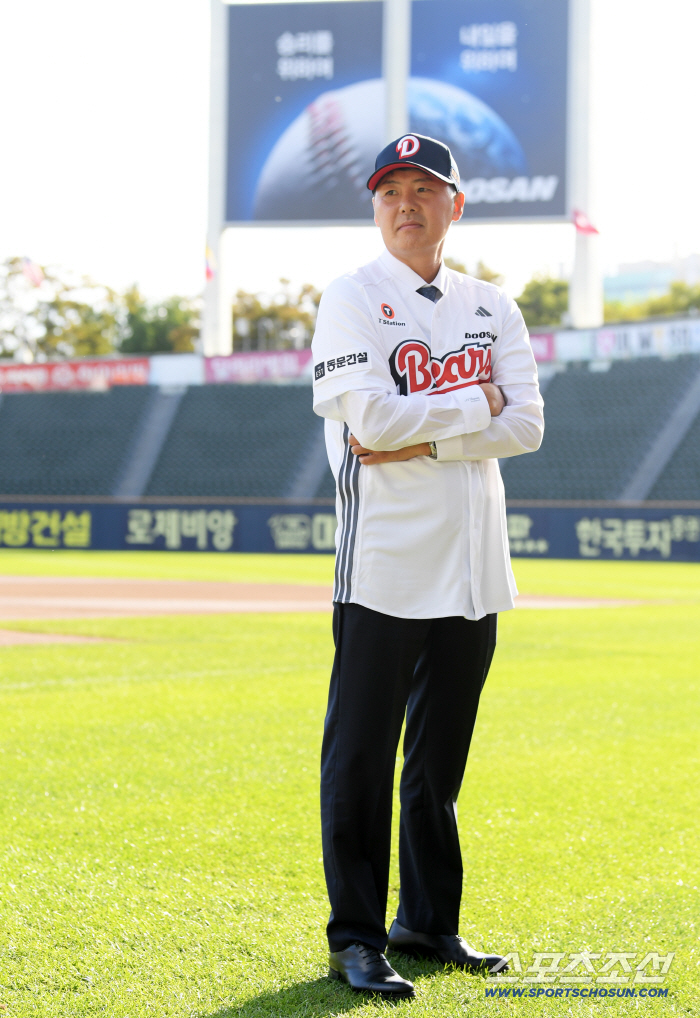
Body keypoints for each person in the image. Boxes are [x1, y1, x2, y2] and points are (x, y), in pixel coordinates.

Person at [311, 134, 544, 998]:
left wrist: (434, 430)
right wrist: (475, 401)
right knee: (362, 757)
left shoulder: (494, 306)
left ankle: (426, 923)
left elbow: (527, 426)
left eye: (423, 189)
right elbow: (366, 418)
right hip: (383, 563)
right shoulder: (351, 298)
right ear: (376, 208)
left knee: (438, 762)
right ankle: (356, 937)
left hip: (475, 565)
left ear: (456, 203)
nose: (404, 204)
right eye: (388, 192)